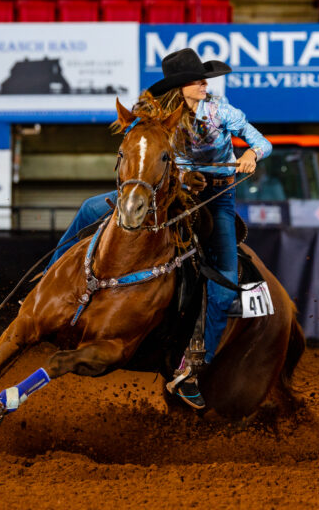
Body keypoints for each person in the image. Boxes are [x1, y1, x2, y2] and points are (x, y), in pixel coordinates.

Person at [46, 48, 272, 409]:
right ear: (180, 88)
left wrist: (250, 155)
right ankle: (47, 283)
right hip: (168, 192)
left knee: (225, 284)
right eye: (197, 80)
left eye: (204, 79)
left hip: (215, 197)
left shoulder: (222, 112)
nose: (204, 84)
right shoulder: (164, 119)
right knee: (90, 207)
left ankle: (192, 369)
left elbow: (262, 142)